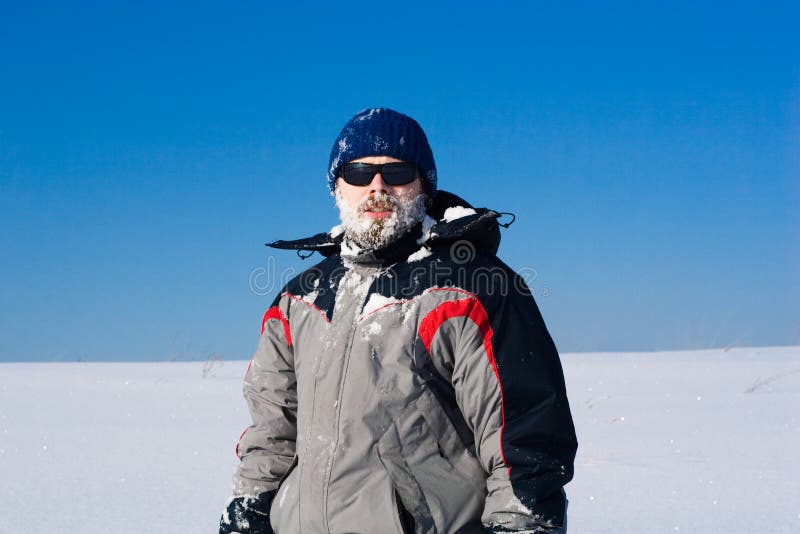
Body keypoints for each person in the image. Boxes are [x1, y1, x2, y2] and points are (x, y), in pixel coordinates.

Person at [219, 108, 578, 534]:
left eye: (398, 172)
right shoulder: (300, 298)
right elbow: (272, 429)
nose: (377, 186)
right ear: (336, 187)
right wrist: (248, 508)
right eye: (358, 172)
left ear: (424, 188)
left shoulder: (476, 287)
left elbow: (526, 438)